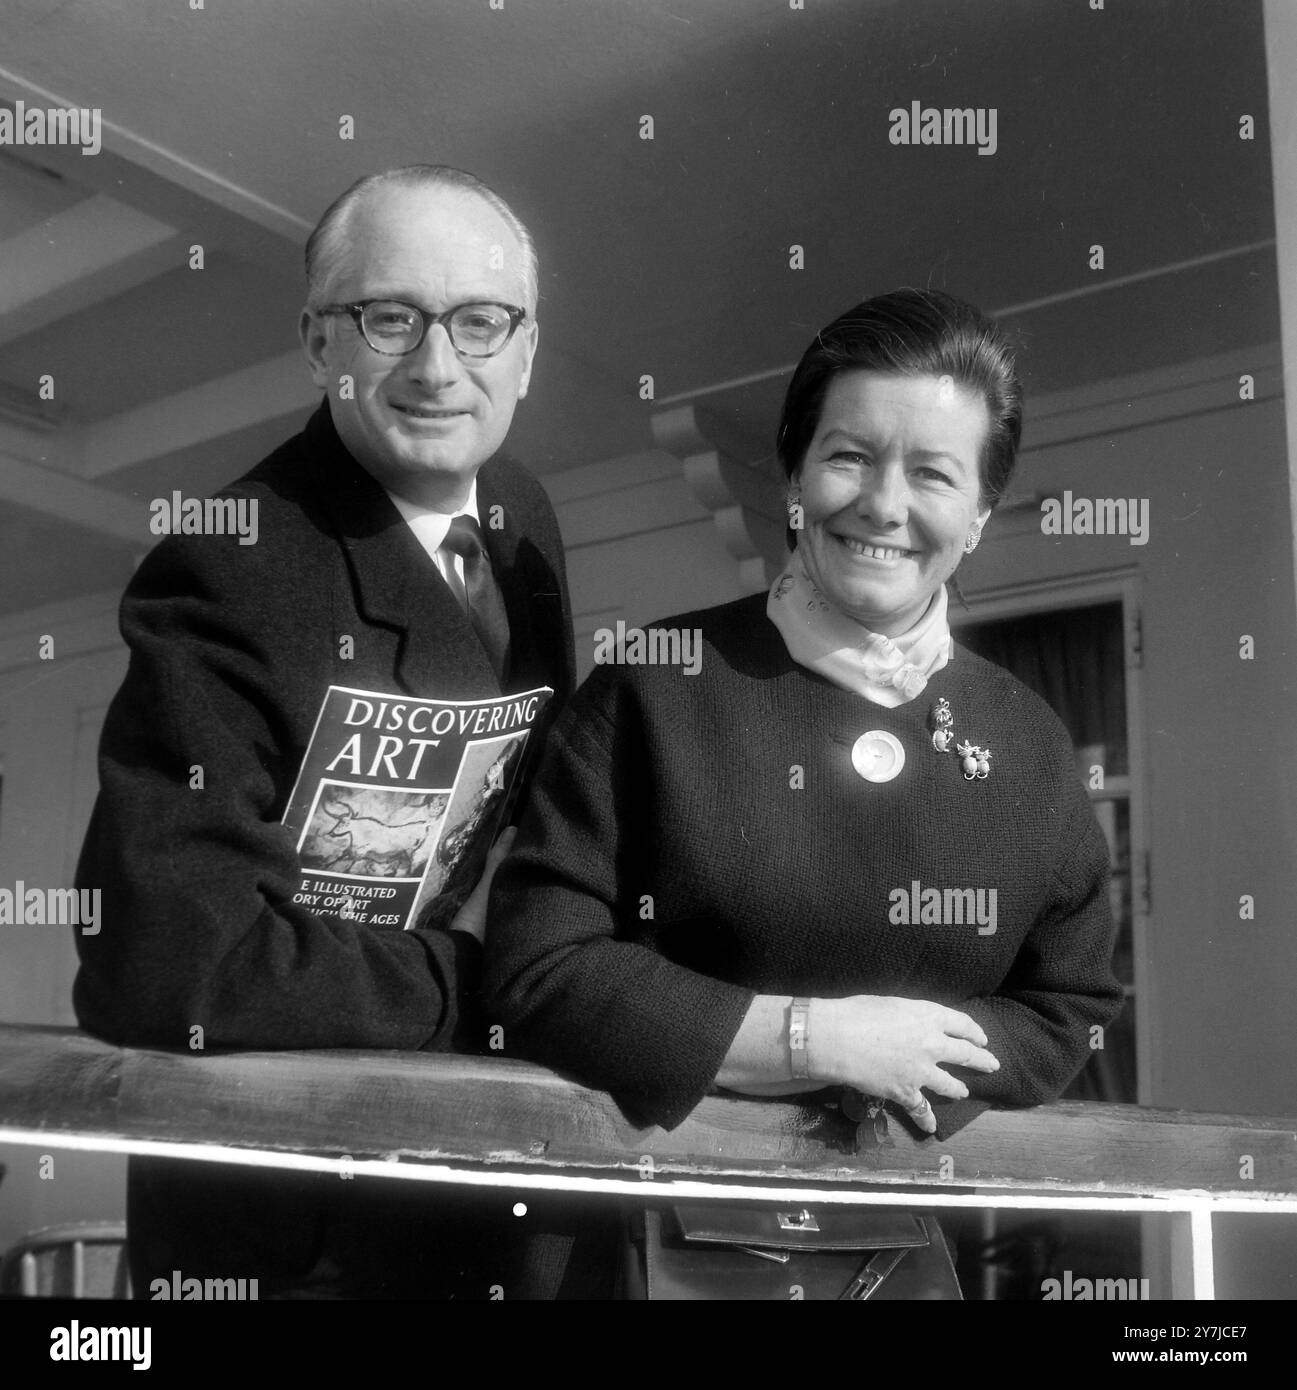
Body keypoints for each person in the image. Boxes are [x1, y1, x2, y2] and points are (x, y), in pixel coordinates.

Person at [483, 288, 1125, 1297]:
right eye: (849, 456)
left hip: (886, 1248)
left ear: (978, 517)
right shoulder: (653, 684)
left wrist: (916, 1064)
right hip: (635, 1245)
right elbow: (538, 971)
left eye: (932, 474)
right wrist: (819, 1040)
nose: (883, 503)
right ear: (792, 476)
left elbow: (1072, 999)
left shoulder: (1028, 743)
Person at [73, 165, 588, 1298]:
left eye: (481, 321)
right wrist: (513, 984)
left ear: (528, 349)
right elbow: (170, 969)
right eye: (389, 317)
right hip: (289, 1232)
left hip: (484, 1180)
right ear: (318, 343)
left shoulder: (523, 528)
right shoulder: (227, 563)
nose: (438, 366)